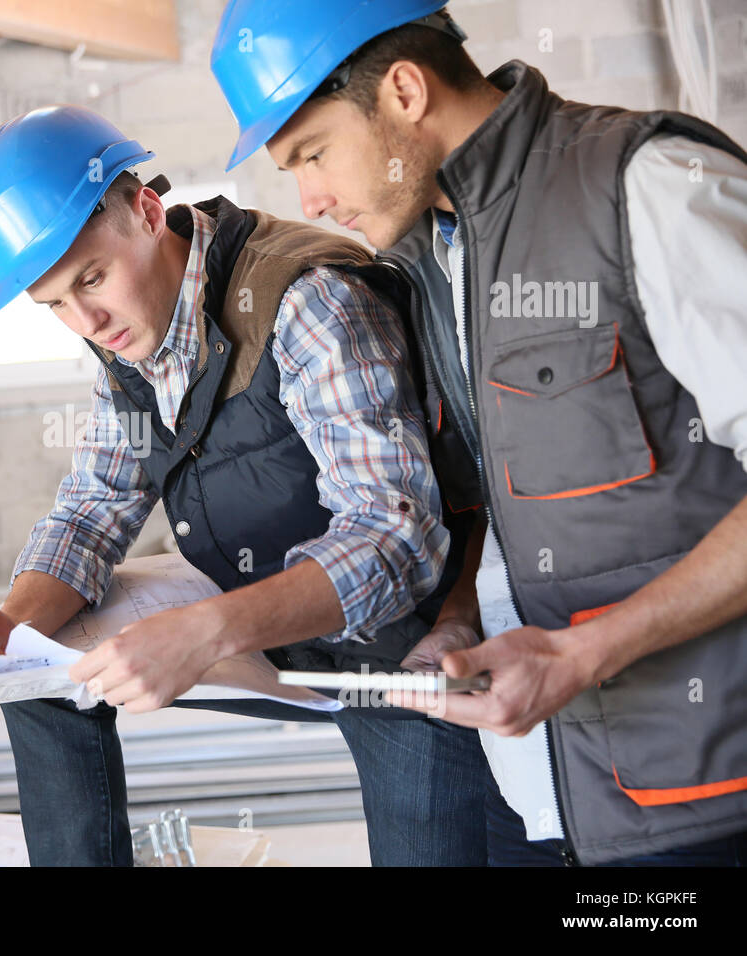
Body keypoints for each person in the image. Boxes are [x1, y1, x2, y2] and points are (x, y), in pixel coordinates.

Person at [210, 0, 747, 865]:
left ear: (406, 91)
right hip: (566, 800)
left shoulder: (642, 184)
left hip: (713, 797)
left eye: (312, 154)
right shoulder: (433, 261)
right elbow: (505, 501)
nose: (309, 200)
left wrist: (588, 650)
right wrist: (459, 621)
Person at [0, 103, 498, 865]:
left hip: (399, 638)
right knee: (35, 659)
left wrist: (202, 634)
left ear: (144, 211)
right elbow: (90, 512)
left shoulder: (308, 299)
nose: (87, 321)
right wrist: (11, 623)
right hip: (261, 610)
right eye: (55, 305)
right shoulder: (128, 339)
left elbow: (393, 540)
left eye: (92, 279)